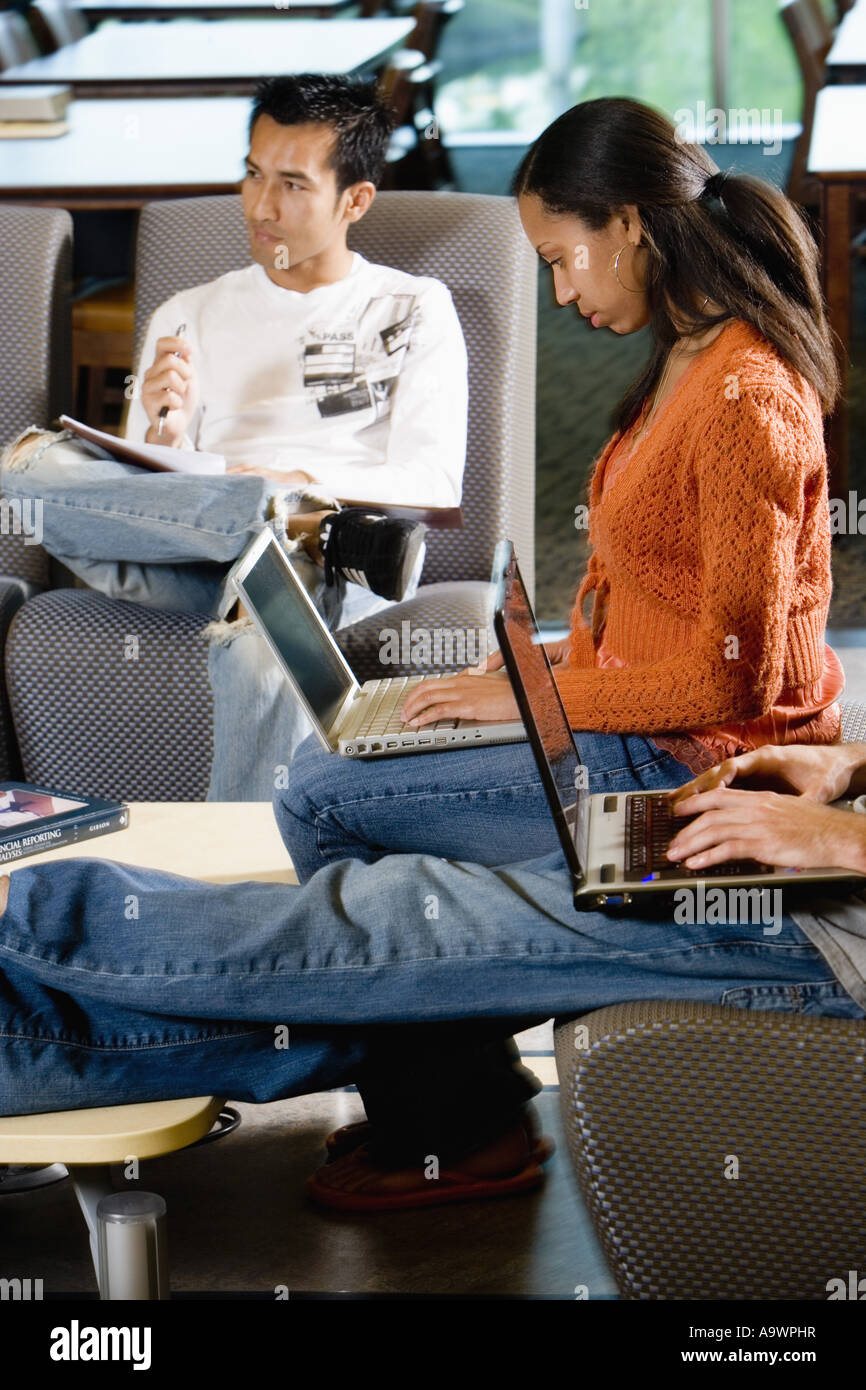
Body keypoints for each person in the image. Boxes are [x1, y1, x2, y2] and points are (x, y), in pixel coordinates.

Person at [0, 741, 865, 1214]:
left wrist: (844, 843)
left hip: (831, 927)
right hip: (816, 864)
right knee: (394, 926)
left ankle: (22, 920)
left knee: (399, 910)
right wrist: (845, 767)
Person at [0, 73, 468, 800]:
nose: (259, 206)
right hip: (198, 549)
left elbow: (433, 483)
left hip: (337, 561)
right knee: (24, 474)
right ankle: (272, 512)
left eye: (291, 185)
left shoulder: (411, 306)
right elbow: (138, 506)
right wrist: (165, 429)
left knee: (261, 646)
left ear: (355, 201)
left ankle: (238, 888)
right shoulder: (188, 311)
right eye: (252, 175)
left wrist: (294, 485)